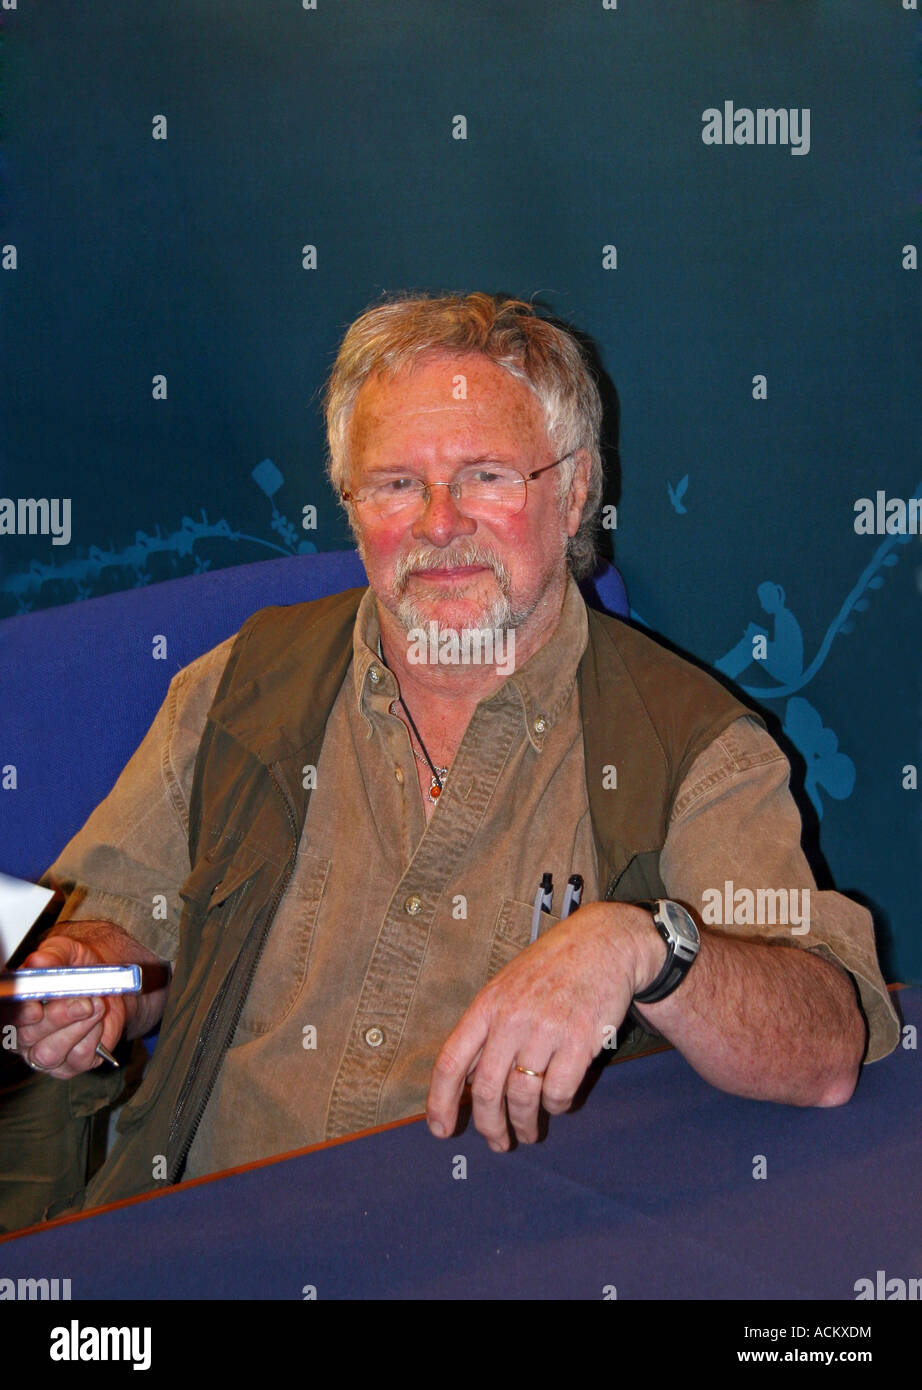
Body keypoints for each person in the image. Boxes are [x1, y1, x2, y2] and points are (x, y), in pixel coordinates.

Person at [8, 292, 898, 1219]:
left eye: (484, 477)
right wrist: (92, 981)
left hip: (500, 1258)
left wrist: (646, 944)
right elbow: (123, 935)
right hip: (210, 1236)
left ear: (576, 489)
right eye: (396, 483)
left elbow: (826, 1043)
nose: (439, 524)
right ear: (351, 506)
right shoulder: (238, 690)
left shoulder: (694, 750)